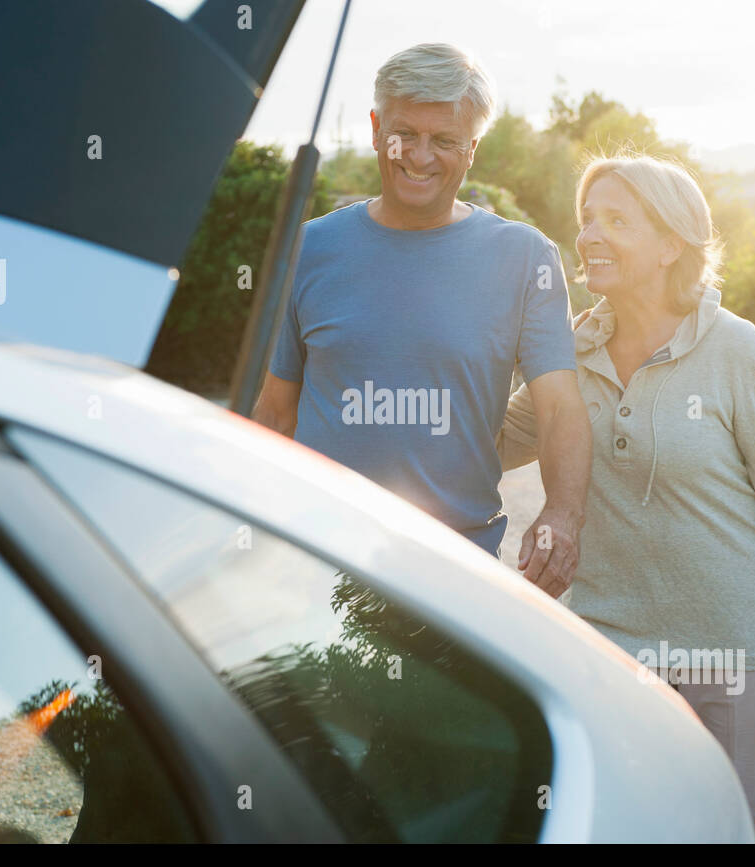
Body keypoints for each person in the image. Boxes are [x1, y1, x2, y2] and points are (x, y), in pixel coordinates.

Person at [497, 152, 755, 841]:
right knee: (617, 823)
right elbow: (496, 444)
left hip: (733, 647)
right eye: (587, 219)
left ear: (671, 244)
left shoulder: (740, 353)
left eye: (616, 220)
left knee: (725, 826)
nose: (591, 235)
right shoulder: (568, 351)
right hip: (611, 639)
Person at [253, 43, 591, 596]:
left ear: (473, 149)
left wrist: (562, 514)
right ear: (373, 126)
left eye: (445, 141)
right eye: (404, 134)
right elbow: (274, 411)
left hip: (457, 570)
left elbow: (559, 408)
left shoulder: (526, 259)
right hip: (315, 560)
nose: (420, 156)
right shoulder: (309, 249)